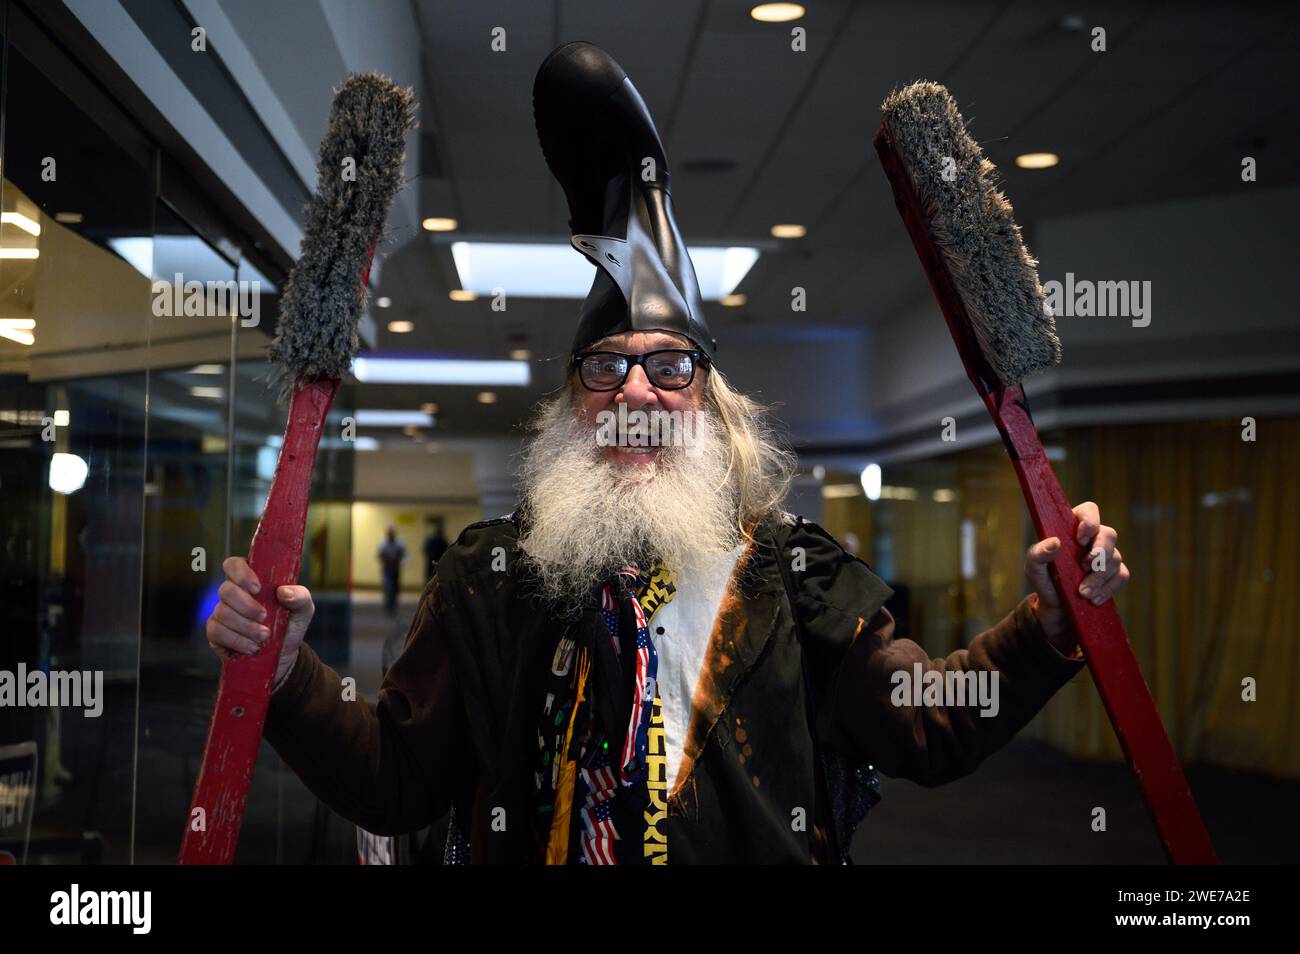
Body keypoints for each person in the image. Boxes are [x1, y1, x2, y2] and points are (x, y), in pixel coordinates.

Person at [205, 42, 1129, 864]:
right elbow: (394, 781)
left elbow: (926, 721)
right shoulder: (488, 581)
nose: (637, 392)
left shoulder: (797, 578)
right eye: (606, 367)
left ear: (709, 403)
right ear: (571, 406)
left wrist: (1046, 633)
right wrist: (285, 671)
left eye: (669, 368)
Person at [376, 525, 406, 618]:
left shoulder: (399, 543)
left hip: (396, 570)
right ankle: (388, 606)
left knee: (395, 589)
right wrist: (385, 558)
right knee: (388, 588)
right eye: (389, 533)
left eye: (392, 533)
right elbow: (379, 555)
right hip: (387, 570)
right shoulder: (383, 544)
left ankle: (393, 606)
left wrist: (404, 561)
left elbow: (404, 555)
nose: (390, 534)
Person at [422, 517, 448, 582]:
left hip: (431, 561)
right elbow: (447, 551)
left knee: (429, 577)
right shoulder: (444, 541)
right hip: (440, 562)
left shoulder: (431, 541)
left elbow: (425, 550)